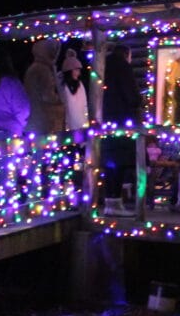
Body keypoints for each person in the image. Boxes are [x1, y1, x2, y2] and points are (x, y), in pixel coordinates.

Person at [100, 43, 144, 210]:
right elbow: (132, 95)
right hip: (122, 120)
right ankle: (115, 202)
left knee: (110, 164)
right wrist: (139, 102)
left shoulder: (103, 66)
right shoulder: (123, 67)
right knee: (119, 163)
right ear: (127, 54)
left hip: (105, 121)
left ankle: (110, 201)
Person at [23, 39, 65, 136]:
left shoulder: (33, 68)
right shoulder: (43, 70)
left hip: (34, 119)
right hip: (44, 121)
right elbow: (47, 95)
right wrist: (60, 100)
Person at [60, 48, 90, 131]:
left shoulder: (80, 84)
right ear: (69, 71)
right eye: (76, 70)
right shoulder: (63, 86)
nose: (78, 73)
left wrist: (85, 120)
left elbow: (84, 104)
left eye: (79, 70)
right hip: (68, 124)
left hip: (81, 123)